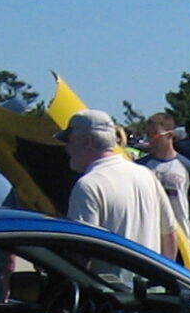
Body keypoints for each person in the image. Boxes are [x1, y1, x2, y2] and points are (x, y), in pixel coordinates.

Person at [60, 109, 172, 257]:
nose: (66, 148)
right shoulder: (146, 175)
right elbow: (169, 234)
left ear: (87, 141)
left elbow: (82, 251)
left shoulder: (88, 186)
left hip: (106, 280)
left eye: (69, 140)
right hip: (150, 278)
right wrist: (164, 278)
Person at [139, 114, 190, 263]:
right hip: (150, 243)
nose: (150, 140)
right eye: (148, 135)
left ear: (170, 135)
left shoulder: (187, 167)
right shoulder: (140, 168)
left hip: (181, 243)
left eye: (154, 135)